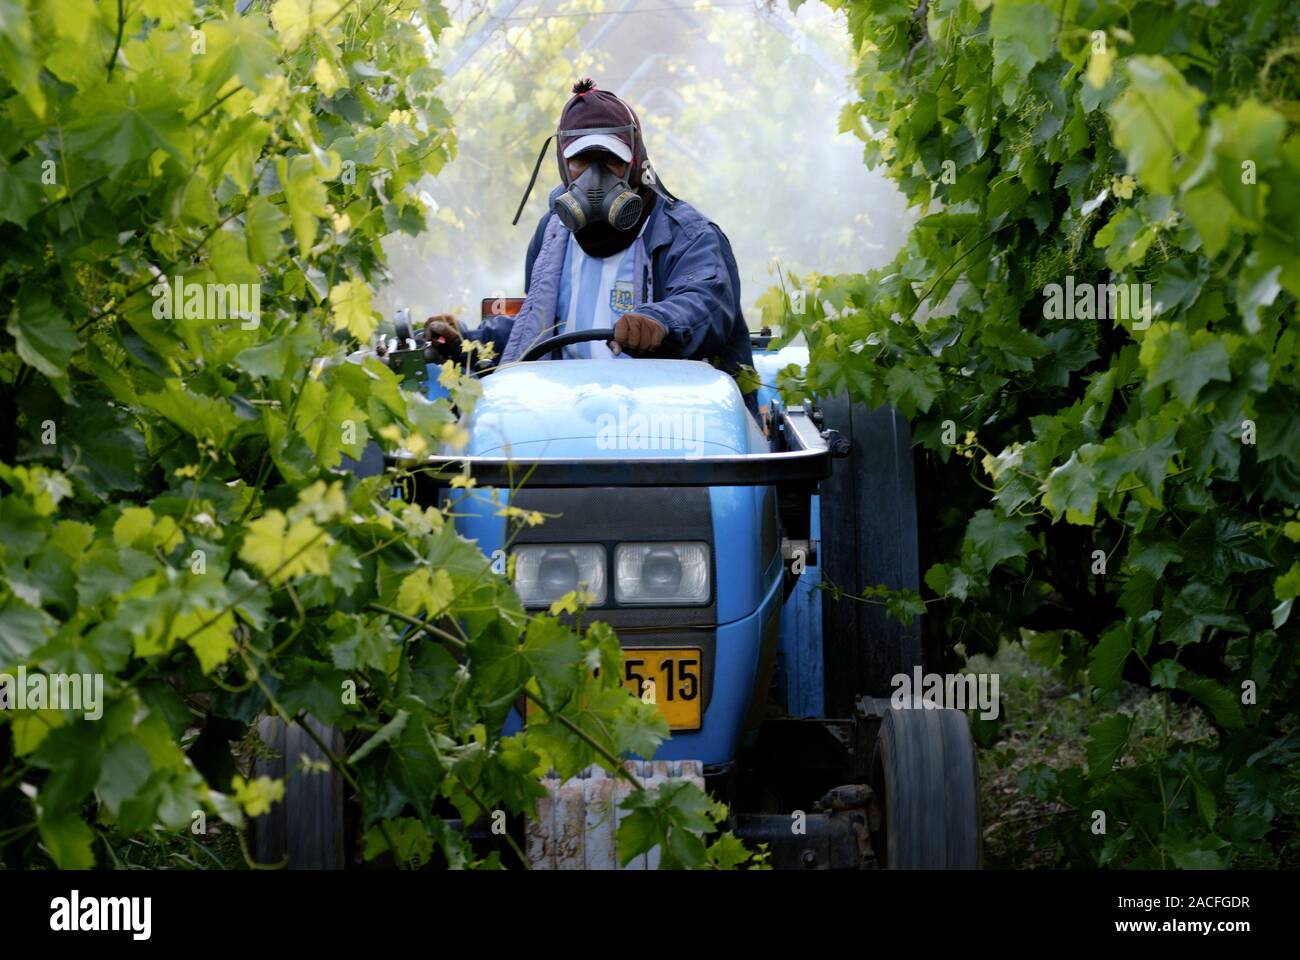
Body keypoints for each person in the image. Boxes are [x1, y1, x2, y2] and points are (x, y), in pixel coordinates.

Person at [428, 78, 756, 410]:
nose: (595, 181)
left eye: (611, 161)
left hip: (667, 424)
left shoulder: (690, 236)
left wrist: (659, 322)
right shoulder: (552, 233)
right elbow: (544, 329)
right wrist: (468, 343)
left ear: (636, 162)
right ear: (562, 163)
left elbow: (705, 300)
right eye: (581, 161)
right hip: (570, 420)